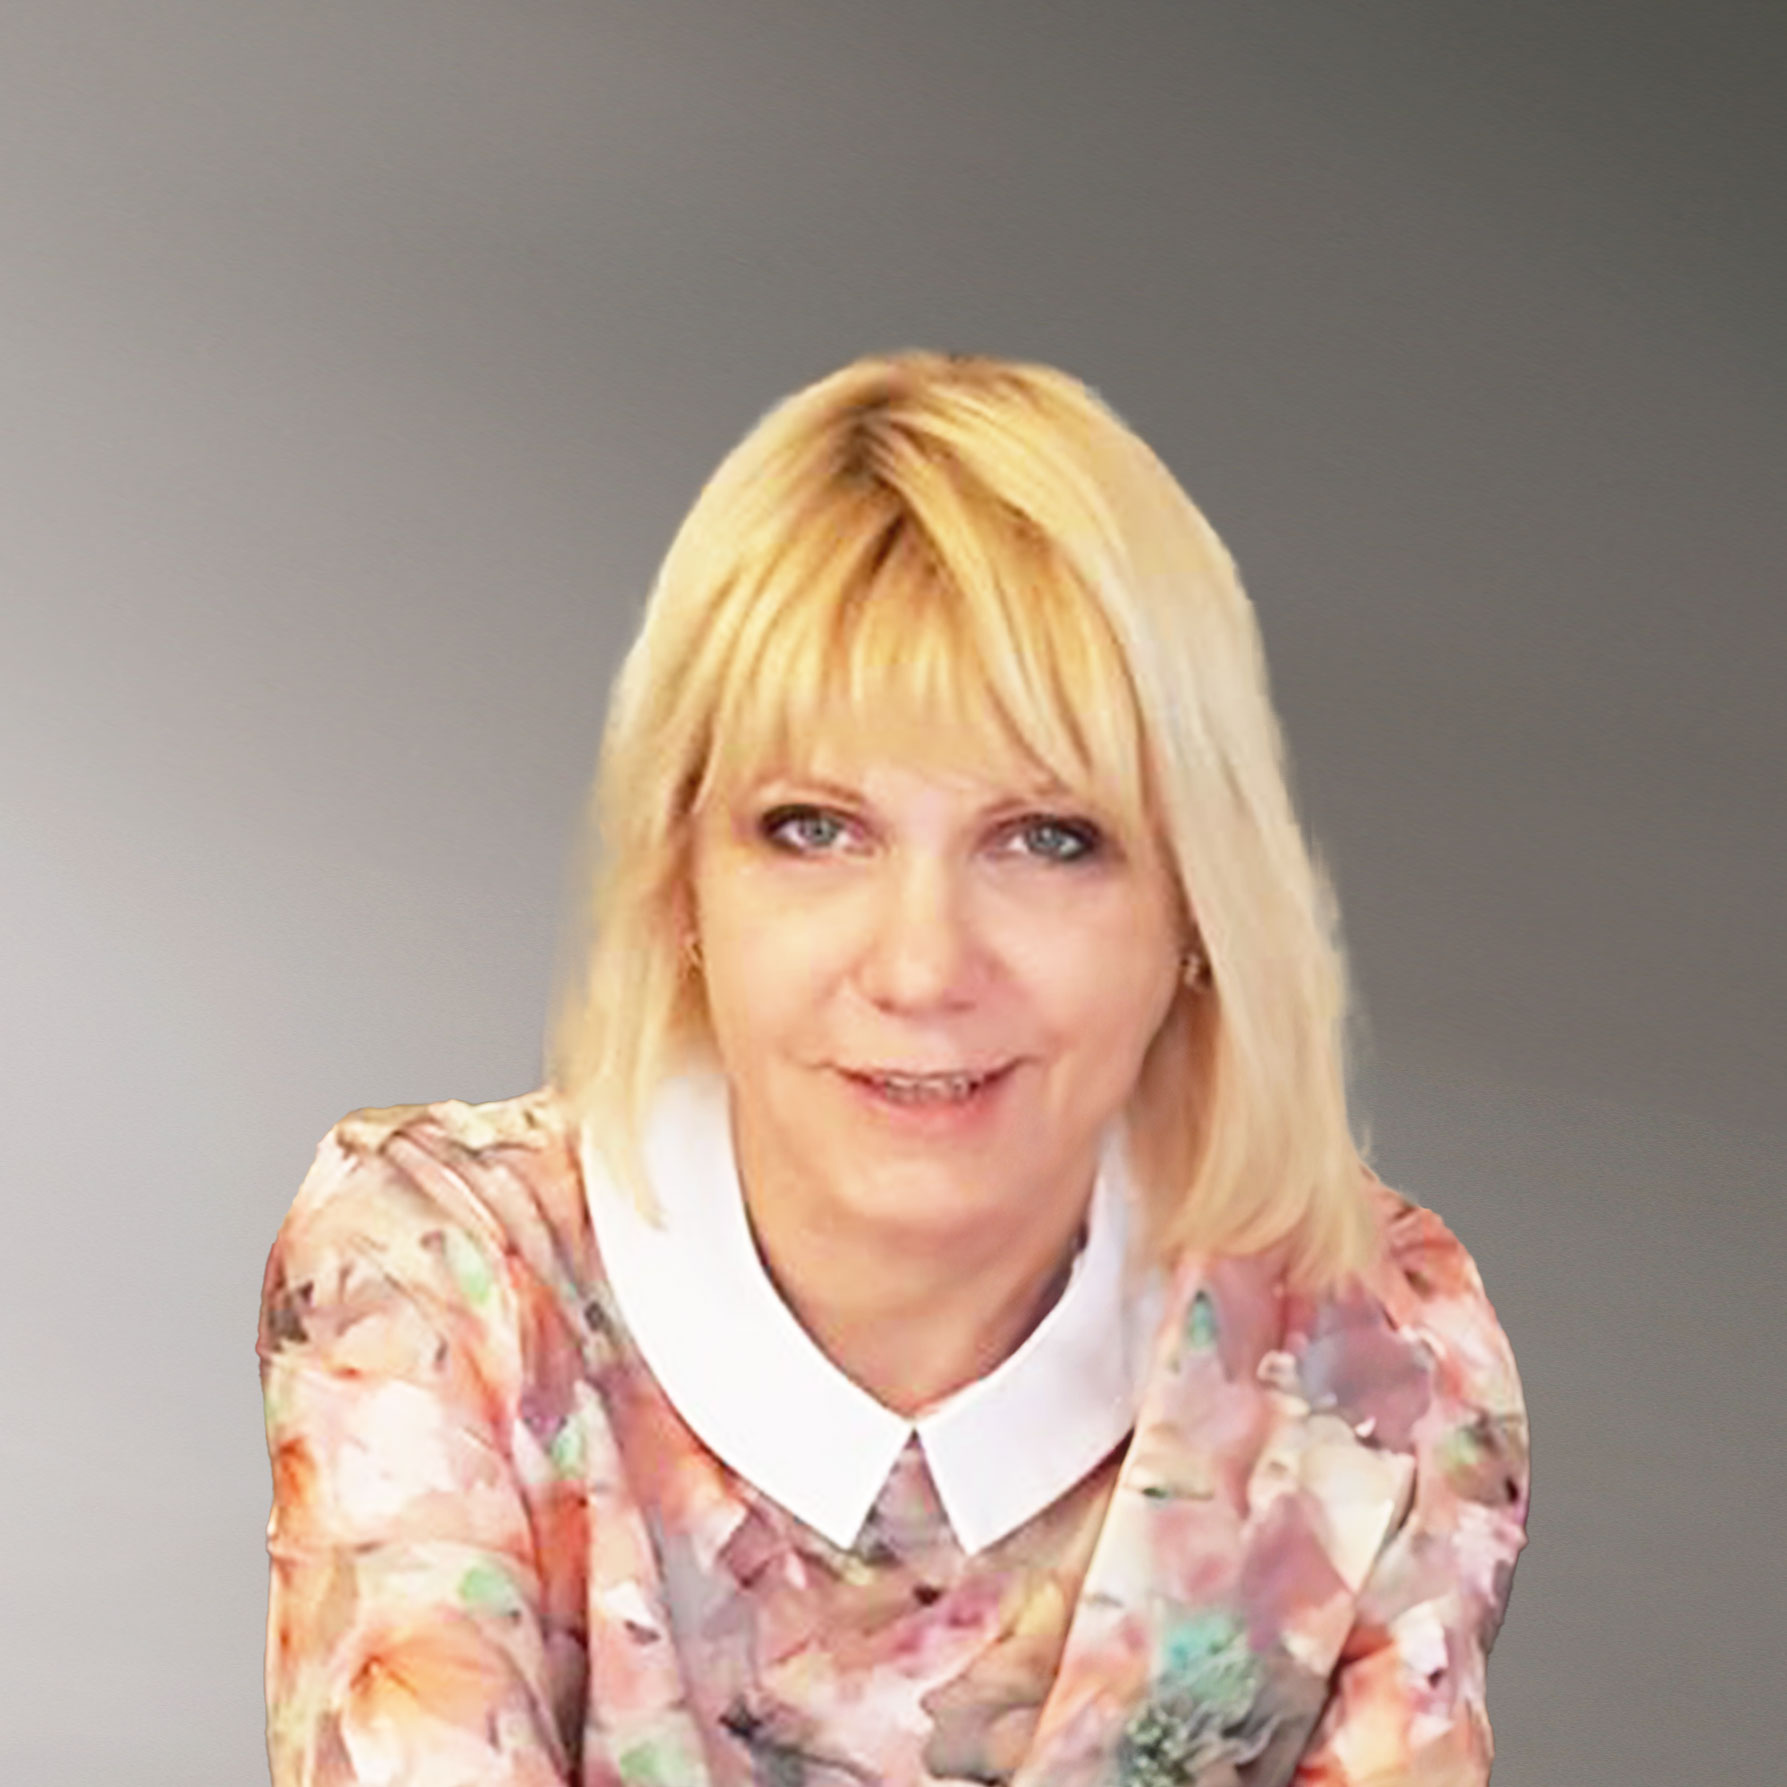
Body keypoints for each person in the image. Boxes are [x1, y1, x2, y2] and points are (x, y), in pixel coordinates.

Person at [258, 351, 1530, 1787]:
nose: (922, 968)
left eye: (1048, 839)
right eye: (815, 830)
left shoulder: (1374, 1347)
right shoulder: (448, 1275)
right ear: (681, 877)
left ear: (1196, 906)